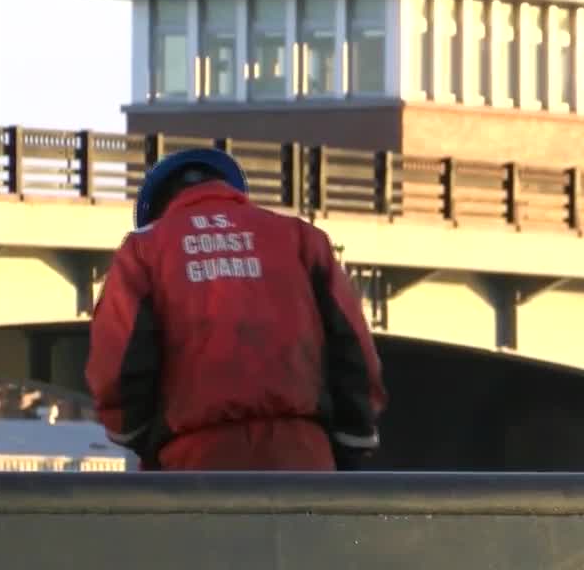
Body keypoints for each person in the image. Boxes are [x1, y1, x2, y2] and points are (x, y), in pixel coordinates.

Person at [86, 147, 387, 471]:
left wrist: (139, 437)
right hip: (303, 454)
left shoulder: (144, 249)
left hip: (195, 461)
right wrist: (351, 439)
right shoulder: (301, 237)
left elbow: (118, 362)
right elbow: (353, 346)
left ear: (157, 208)